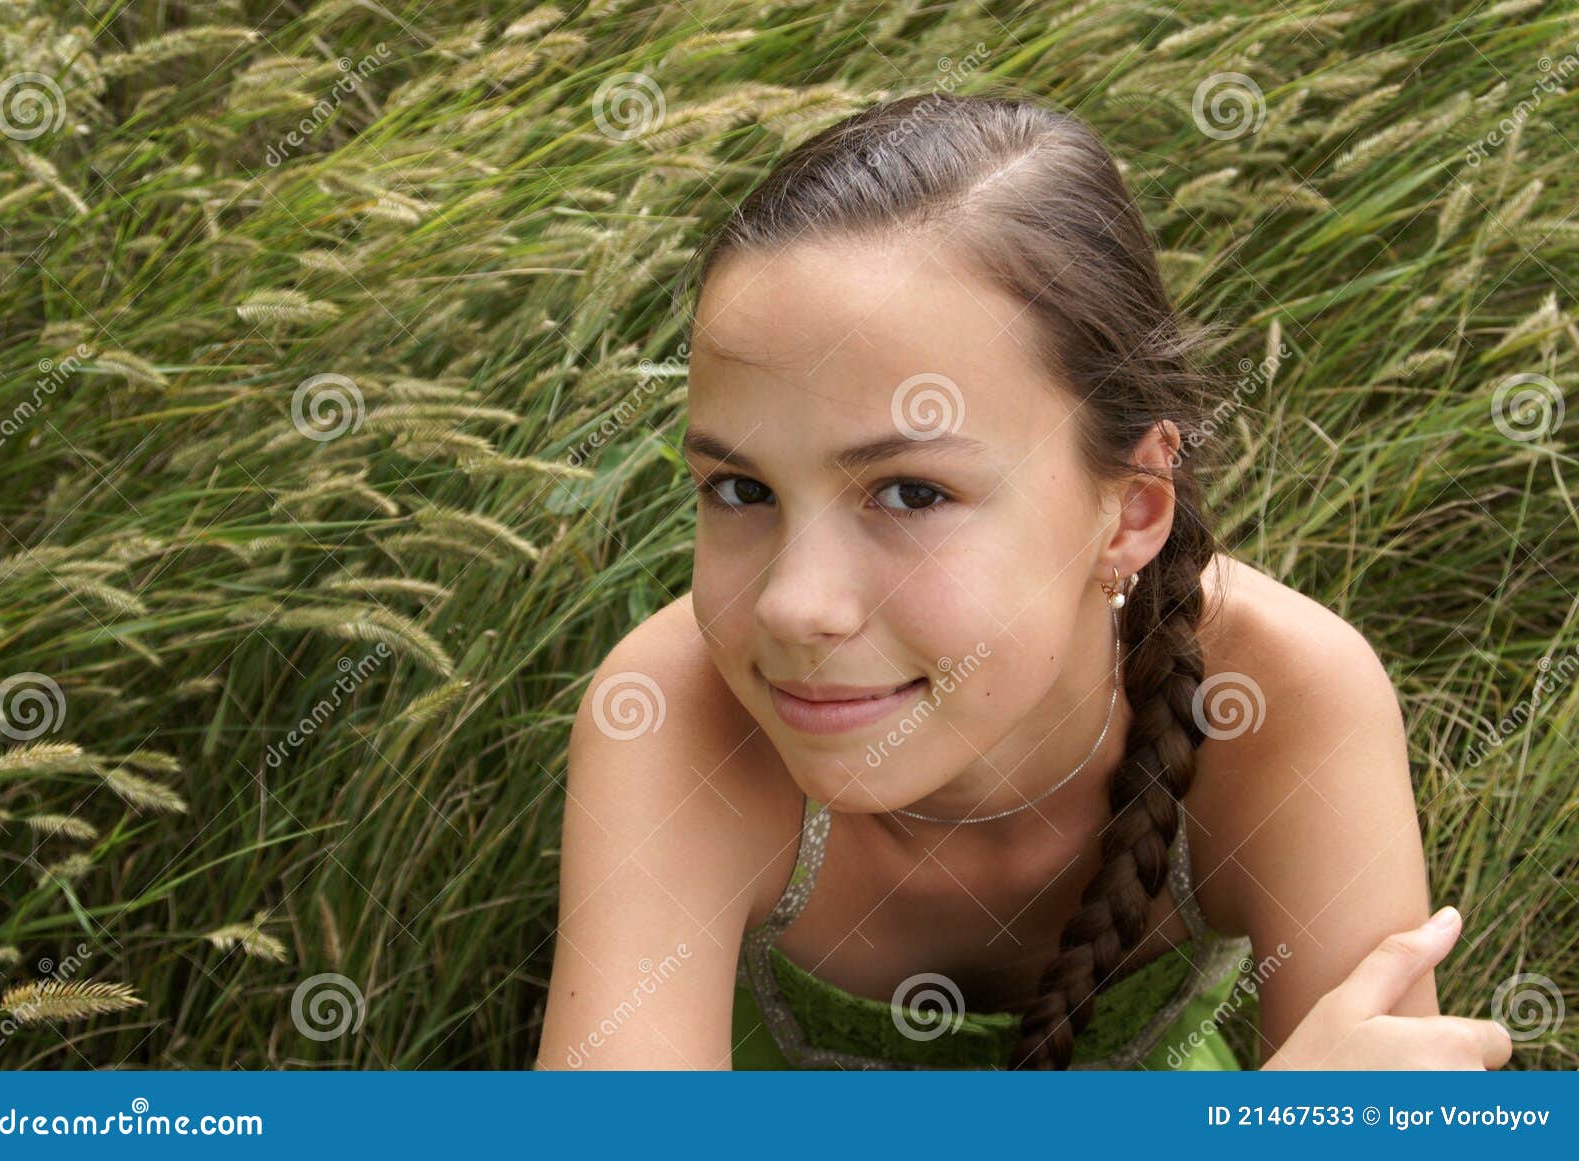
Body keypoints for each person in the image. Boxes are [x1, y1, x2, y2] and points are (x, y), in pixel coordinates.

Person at [535, 92, 1515, 1071]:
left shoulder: (1282, 697)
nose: (794, 605)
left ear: (1130, 509)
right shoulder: (675, 714)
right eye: (740, 486)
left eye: (910, 493)